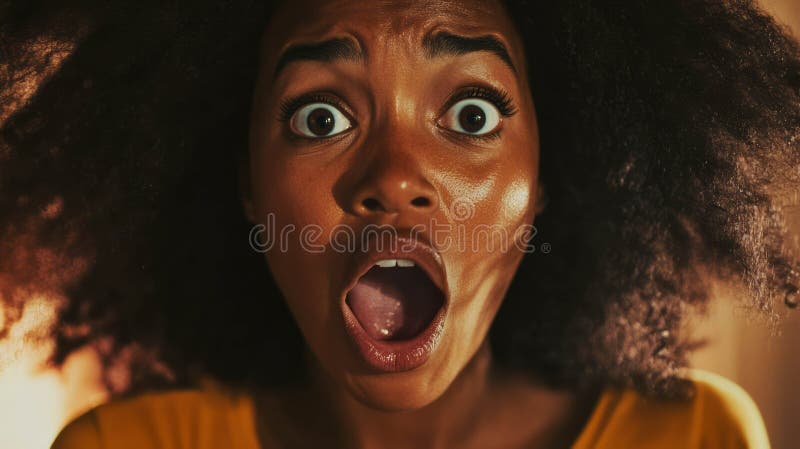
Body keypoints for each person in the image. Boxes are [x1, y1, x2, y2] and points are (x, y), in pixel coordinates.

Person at [0, 0, 797, 448]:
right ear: (247, 185)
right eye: (319, 117)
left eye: (472, 113)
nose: (394, 177)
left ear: (545, 178)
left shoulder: (696, 437)